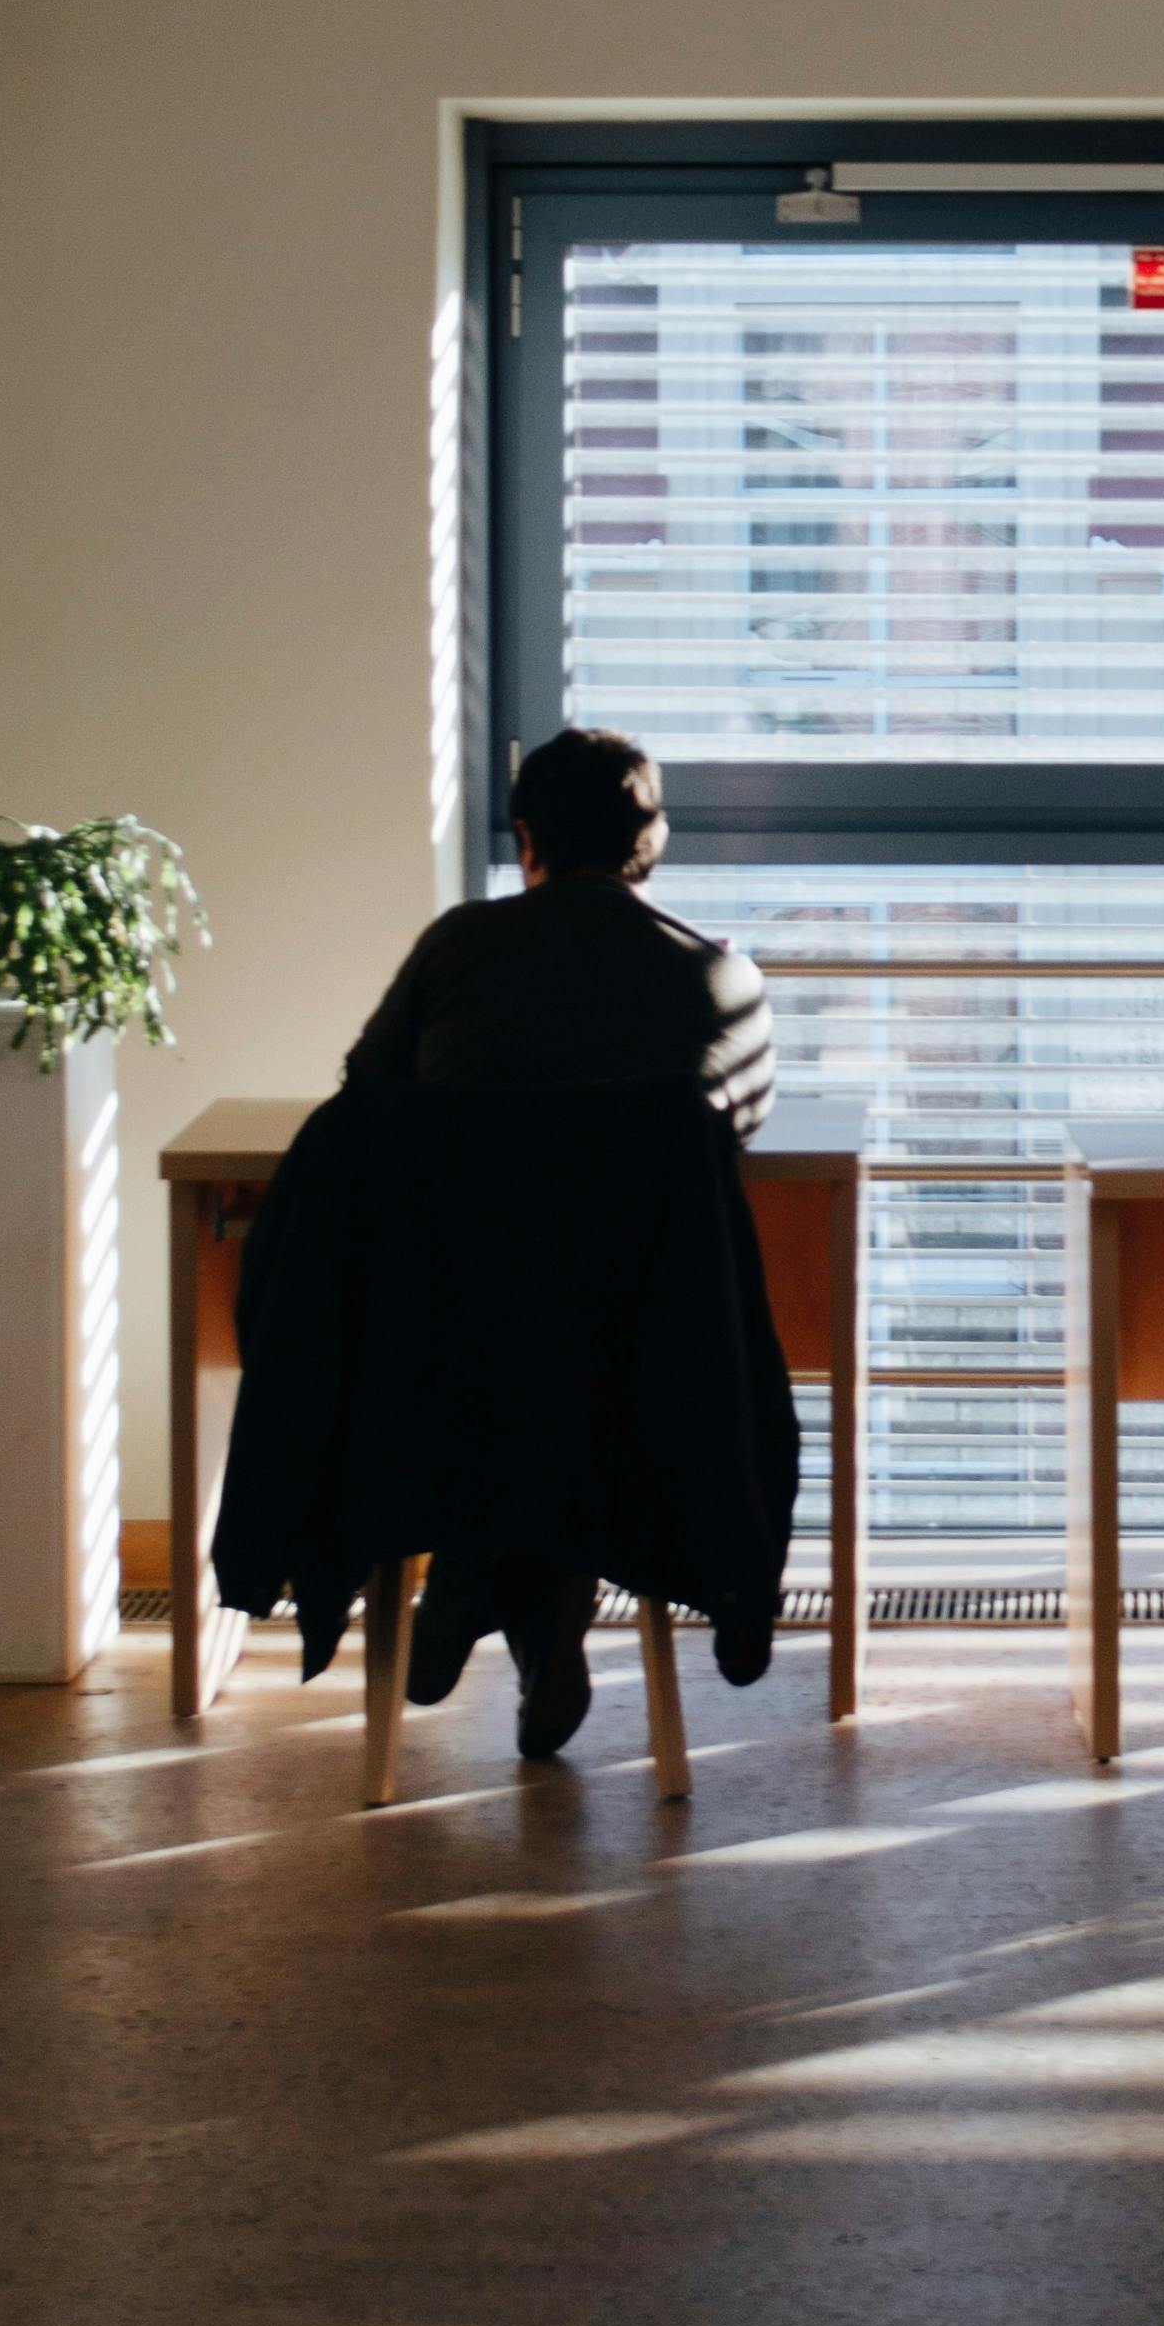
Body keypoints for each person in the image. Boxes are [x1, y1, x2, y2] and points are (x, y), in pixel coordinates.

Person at [344, 727, 778, 1754]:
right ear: (651, 841)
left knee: (516, 1361)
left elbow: (369, 1097)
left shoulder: (457, 946)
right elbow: (731, 1140)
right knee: (582, 1370)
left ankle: (476, 1576)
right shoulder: (718, 975)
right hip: (640, 1368)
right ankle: (530, 1613)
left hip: (447, 1356)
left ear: (527, 836)